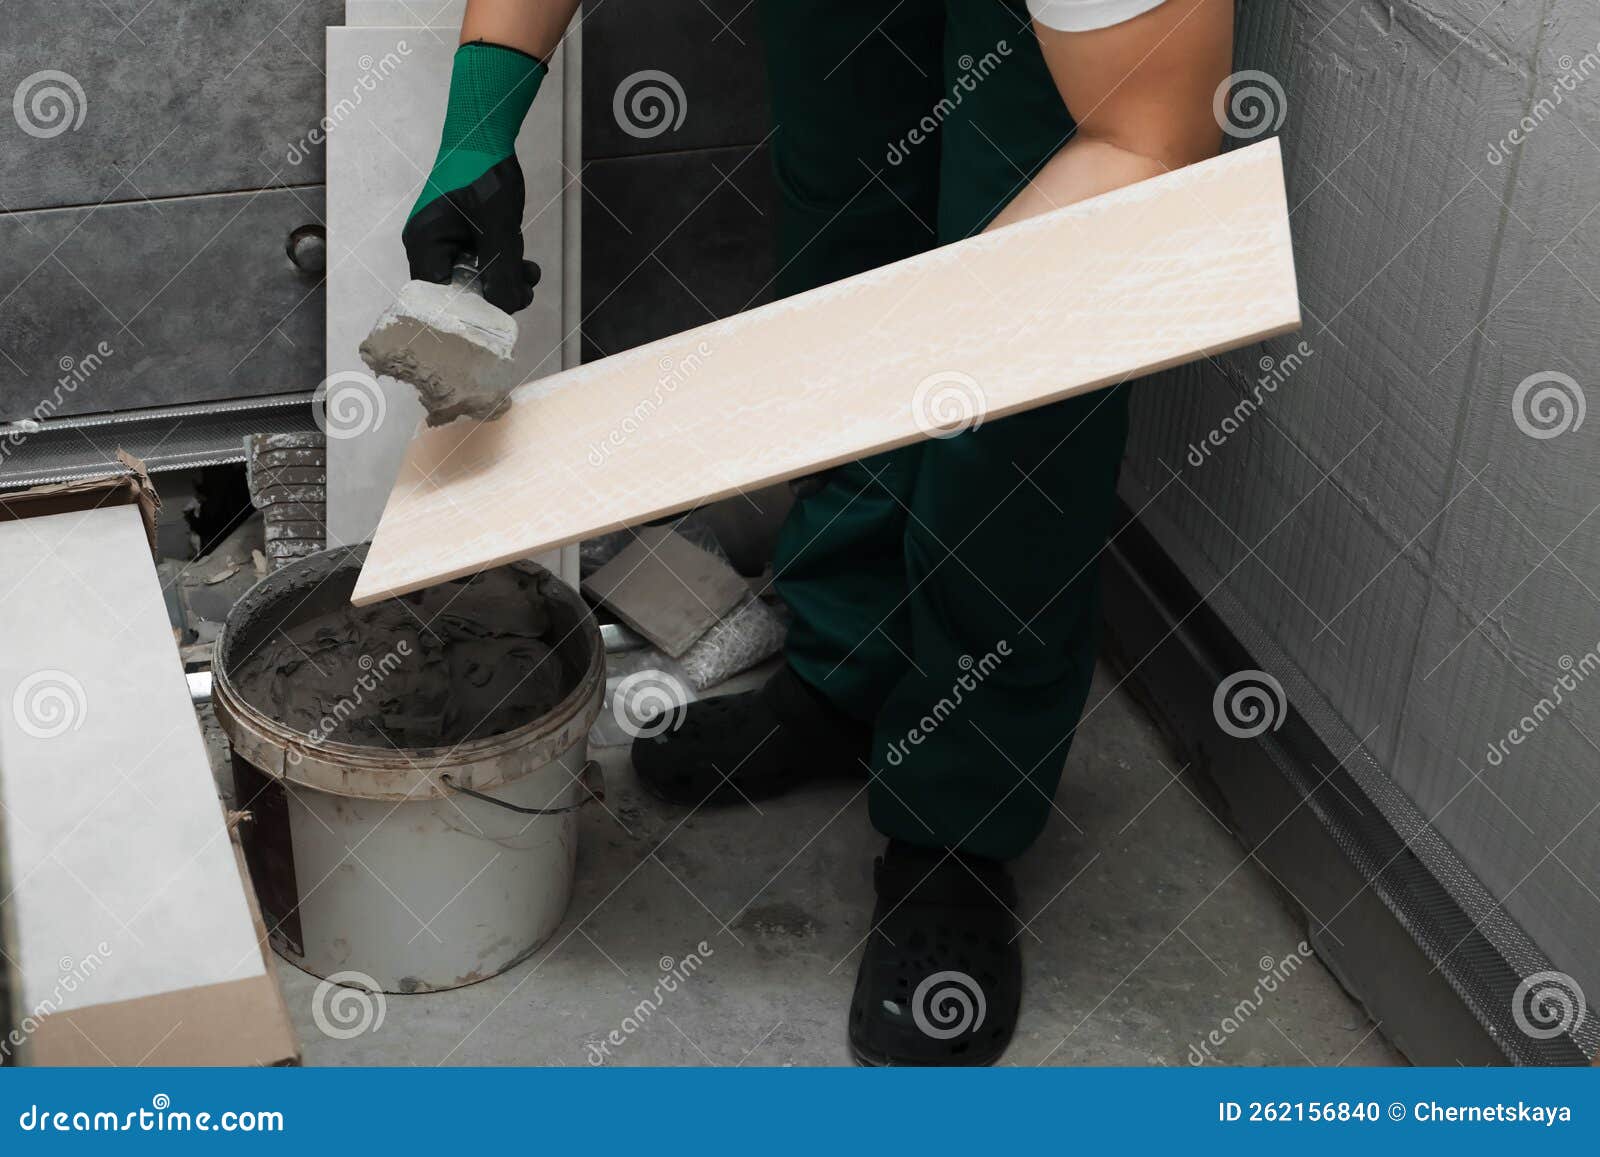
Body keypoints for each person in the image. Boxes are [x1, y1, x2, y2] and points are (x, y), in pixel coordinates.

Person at [404, 0, 1234, 1066]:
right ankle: (849, 666)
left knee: (1024, 366)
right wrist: (481, 124)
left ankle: (958, 810)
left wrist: (882, 368)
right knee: (846, 224)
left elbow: (1141, 139)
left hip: (1088, 55)